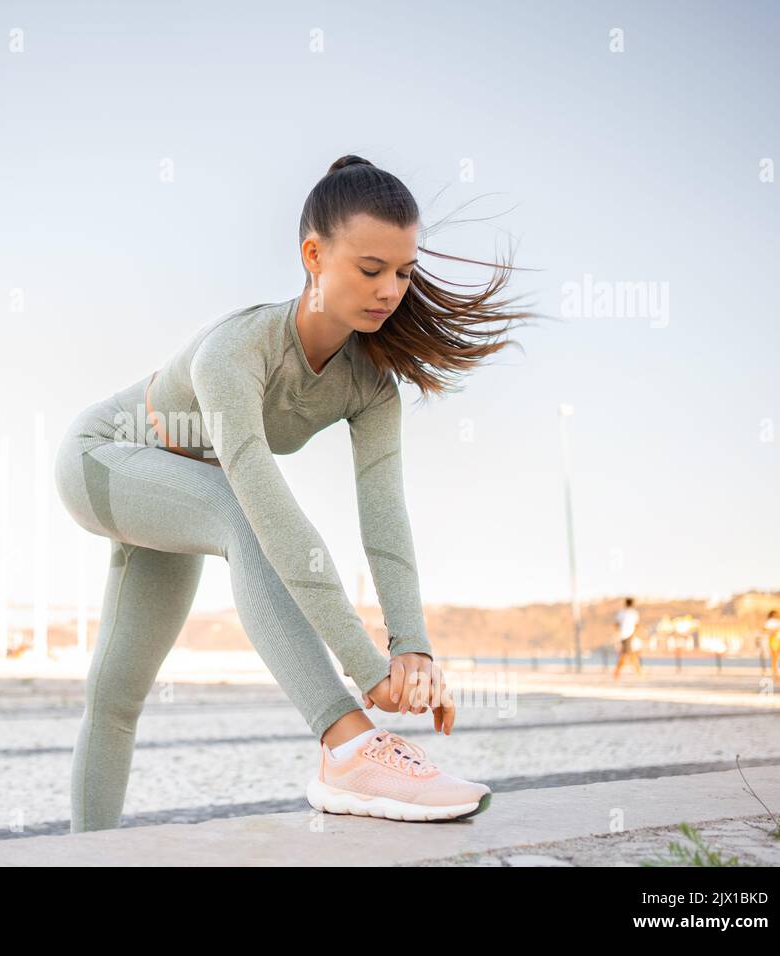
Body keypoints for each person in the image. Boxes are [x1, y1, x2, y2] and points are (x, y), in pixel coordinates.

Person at [53, 154, 535, 832]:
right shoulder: (236, 352)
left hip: (184, 496)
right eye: (371, 270)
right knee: (242, 513)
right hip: (102, 460)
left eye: (403, 272)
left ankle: (85, 854)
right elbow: (266, 508)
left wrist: (414, 649)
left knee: (116, 696)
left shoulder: (370, 385)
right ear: (314, 254)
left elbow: (385, 519)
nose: (390, 290)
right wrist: (368, 669)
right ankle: (348, 747)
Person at [612, 597, 642, 679]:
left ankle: (618, 672)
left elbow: (616, 625)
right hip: (629, 635)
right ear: (632, 604)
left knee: (626, 654)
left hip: (622, 635)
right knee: (628, 654)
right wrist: (634, 635)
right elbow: (636, 626)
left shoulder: (621, 612)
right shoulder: (634, 613)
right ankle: (638, 672)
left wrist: (618, 633)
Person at [764, 609, 780, 680]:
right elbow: (765, 630)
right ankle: (776, 675)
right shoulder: (769, 622)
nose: (777, 615)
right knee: (775, 658)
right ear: (772, 614)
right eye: (775, 614)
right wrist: (773, 631)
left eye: (777, 613)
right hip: (774, 640)